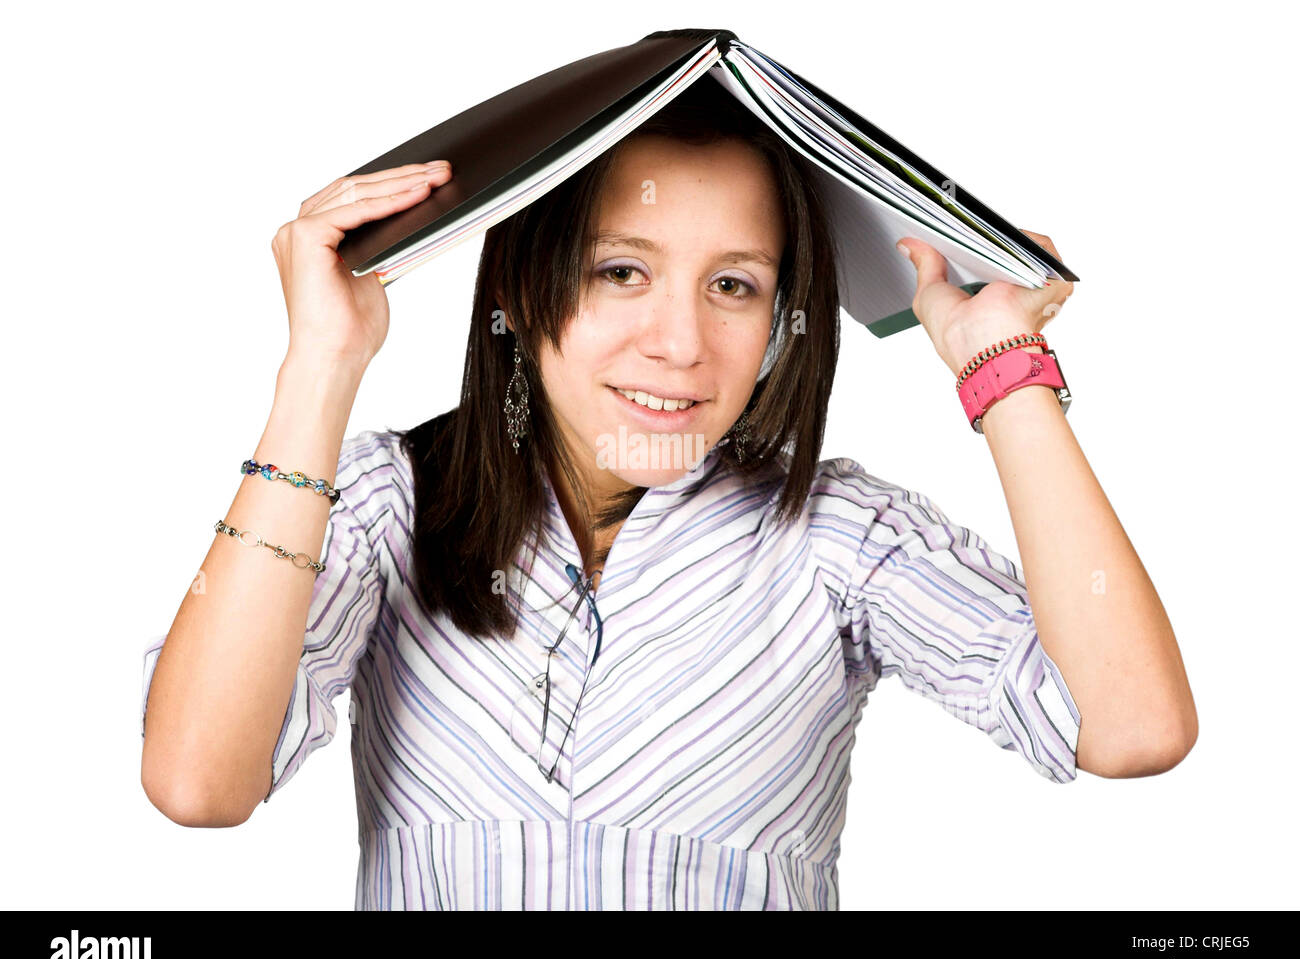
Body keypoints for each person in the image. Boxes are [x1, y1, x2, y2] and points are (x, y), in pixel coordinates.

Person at [139, 77, 1197, 909]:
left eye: (733, 284)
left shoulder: (835, 537)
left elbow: (1128, 726)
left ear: (786, 315)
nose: (681, 344)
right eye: (620, 272)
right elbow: (198, 781)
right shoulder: (386, 504)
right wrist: (320, 366)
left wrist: (999, 366)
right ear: (516, 284)